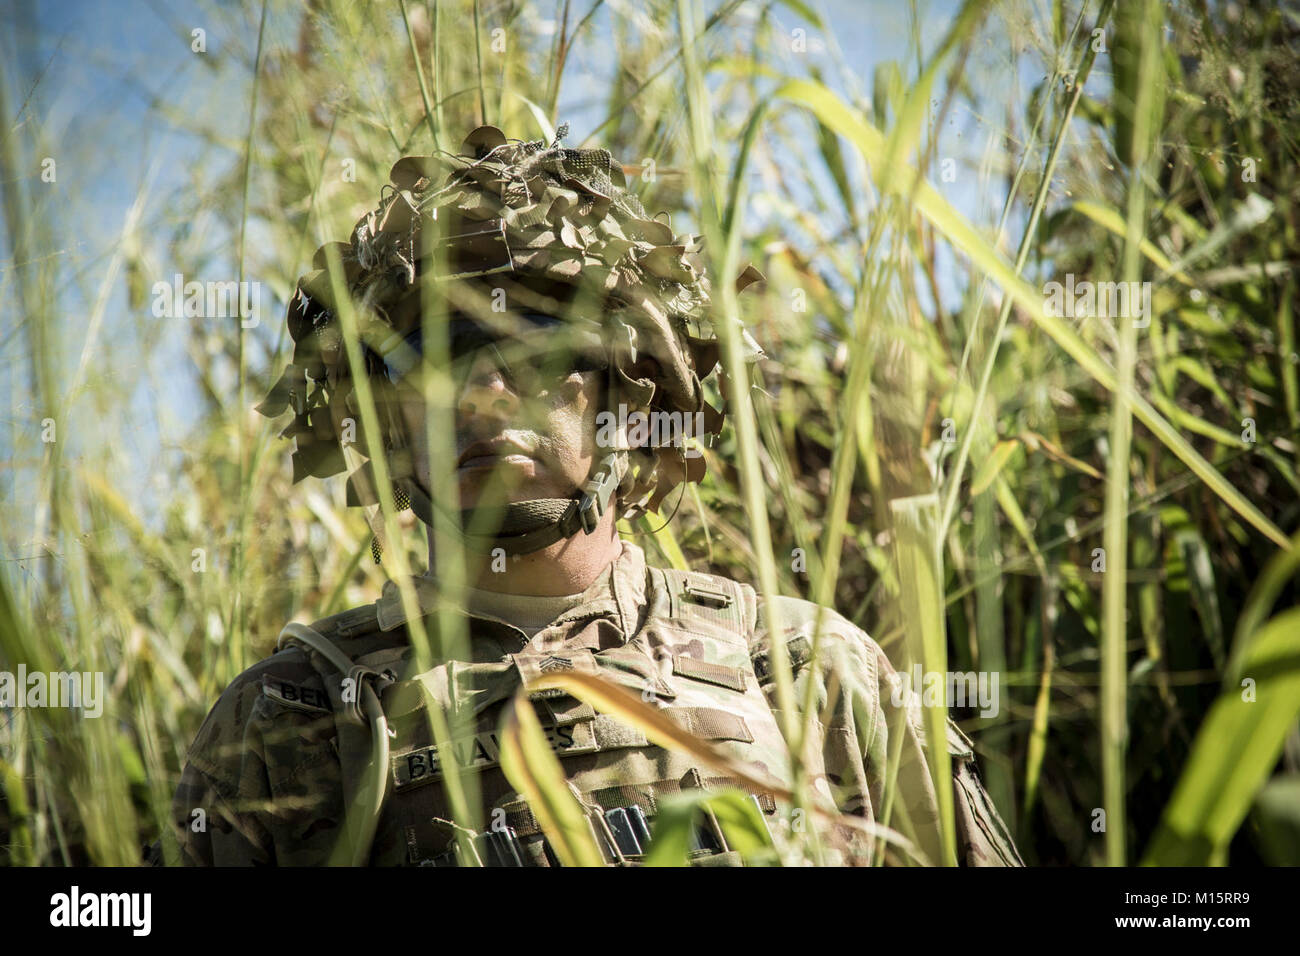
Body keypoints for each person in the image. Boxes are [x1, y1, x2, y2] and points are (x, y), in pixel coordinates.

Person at [162, 125, 1023, 867]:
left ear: (627, 397)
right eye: (427, 364)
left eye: (531, 355)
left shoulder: (810, 670)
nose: (482, 397)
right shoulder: (288, 717)